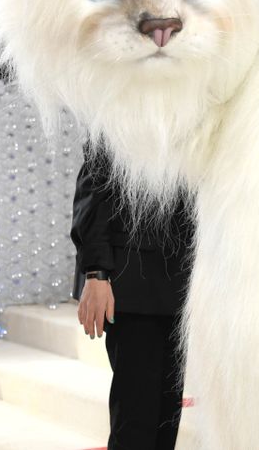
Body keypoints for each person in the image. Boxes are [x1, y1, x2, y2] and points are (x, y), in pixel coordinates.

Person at [72, 150, 191, 450]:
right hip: (132, 281)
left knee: (166, 422)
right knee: (136, 422)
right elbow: (95, 184)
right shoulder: (120, 105)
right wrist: (96, 273)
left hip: (183, 282)